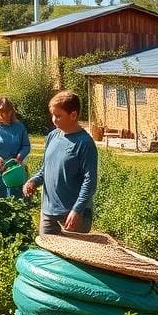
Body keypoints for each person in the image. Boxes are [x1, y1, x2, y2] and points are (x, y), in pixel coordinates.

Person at [24, 90, 98, 234]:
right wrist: (33, 181)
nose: (53, 119)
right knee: (47, 255)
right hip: (48, 212)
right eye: (52, 115)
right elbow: (46, 169)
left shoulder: (84, 143)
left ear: (73, 115)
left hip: (71, 215)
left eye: (58, 116)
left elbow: (90, 181)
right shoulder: (52, 136)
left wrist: (77, 209)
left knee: (72, 256)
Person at [0, 96, 31, 197]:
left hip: (15, 169)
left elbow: (26, 145)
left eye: (9, 111)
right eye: (2, 111)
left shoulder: (19, 127)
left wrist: (20, 156)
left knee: (16, 200)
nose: (6, 114)